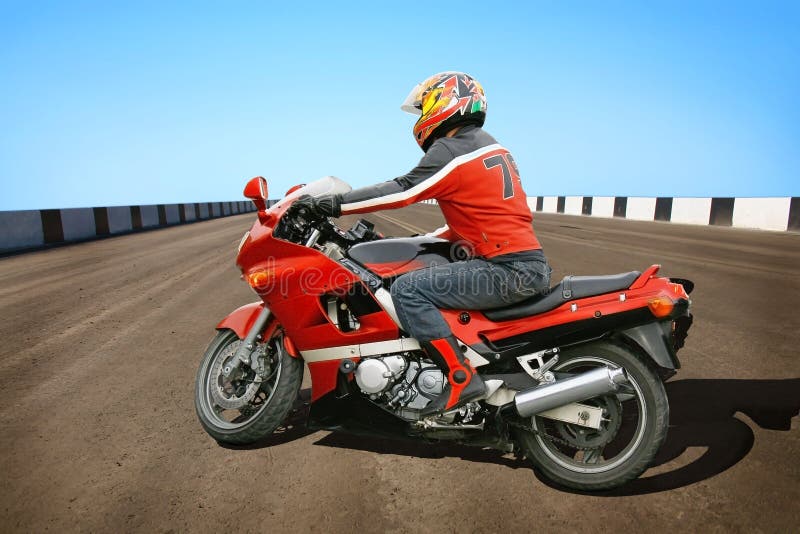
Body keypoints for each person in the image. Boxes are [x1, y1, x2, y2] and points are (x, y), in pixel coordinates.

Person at [293, 72, 551, 416]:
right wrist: (418, 242)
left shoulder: (454, 147)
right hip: (524, 264)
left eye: (424, 106)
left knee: (409, 291)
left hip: (507, 269)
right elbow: (480, 220)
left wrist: (333, 203)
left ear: (447, 101)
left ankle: (461, 378)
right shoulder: (487, 146)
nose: (421, 117)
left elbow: (404, 189)